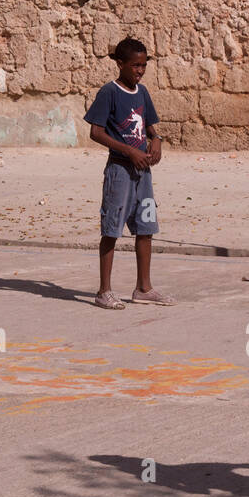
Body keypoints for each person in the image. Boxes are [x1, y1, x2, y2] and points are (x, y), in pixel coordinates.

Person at [83, 37, 174, 309]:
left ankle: (143, 288)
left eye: (144, 65)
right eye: (135, 65)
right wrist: (128, 151)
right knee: (112, 229)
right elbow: (95, 132)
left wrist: (156, 141)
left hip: (142, 174)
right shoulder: (108, 93)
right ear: (120, 64)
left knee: (146, 228)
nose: (140, 70)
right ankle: (104, 291)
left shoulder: (142, 92)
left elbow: (149, 127)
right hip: (120, 172)